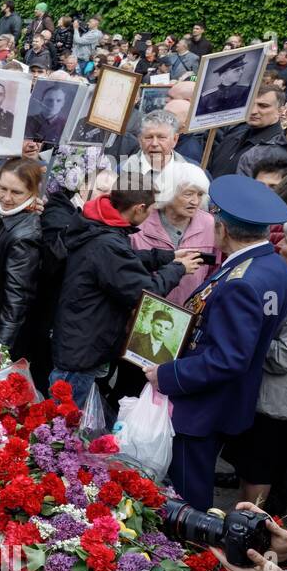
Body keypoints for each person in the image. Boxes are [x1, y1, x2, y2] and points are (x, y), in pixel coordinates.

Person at [149, 175, 287, 511]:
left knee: (187, 496)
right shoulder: (272, 265)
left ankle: (193, 553)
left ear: (223, 229)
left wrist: (168, 376)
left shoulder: (241, 282)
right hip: (227, 400)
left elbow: (227, 358)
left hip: (204, 405)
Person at [48, 170, 200, 407]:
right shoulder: (107, 242)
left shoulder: (98, 223)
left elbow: (120, 261)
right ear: (139, 208)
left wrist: (166, 257)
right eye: (150, 209)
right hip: (82, 350)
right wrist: (178, 269)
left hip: (79, 340)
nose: (151, 214)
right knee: (60, 427)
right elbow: (144, 292)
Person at [219, 215, 287, 506]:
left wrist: (246, 341)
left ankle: (248, 534)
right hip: (260, 395)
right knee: (248, 465)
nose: (280, 244)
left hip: (277, 403)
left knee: (258, 472)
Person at [0, 159, 43, 361]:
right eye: (3, 188)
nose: (6, 197)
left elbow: (17, 298)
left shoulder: (26, 235)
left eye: (16, 192)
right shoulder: (1, 215)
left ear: (32, 192)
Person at [129, 163, 217, 306]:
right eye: (188, 194)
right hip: (140, 310)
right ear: (168, 192)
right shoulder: (141, 223)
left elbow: (214, 273)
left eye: (200, 194)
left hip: (187, 314)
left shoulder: (209, 224)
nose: (195, 201)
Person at [209, 86, 285, 178]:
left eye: (263, 106)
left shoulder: (279, 150)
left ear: (280, 111)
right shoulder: (233, 136)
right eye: (249, 105)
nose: (253, 111)